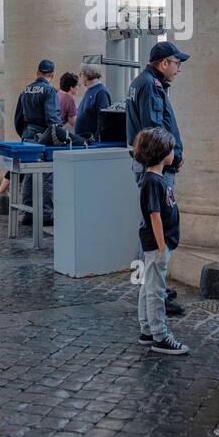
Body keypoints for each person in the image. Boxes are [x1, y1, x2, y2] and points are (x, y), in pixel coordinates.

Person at [126, 41, 190, 317]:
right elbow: (155, 131)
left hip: (148, 166)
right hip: (155, 168)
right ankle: (152, 291)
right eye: (177, 63)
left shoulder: (143, 83)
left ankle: (152, 286)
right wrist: (173, 157)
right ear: (164, 63)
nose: (179, 69)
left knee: (149, 229)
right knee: (154, 231)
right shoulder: (151, 86)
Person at [134, 127, 189, 356]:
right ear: (161, 152)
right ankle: (160, 335)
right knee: (156, 289)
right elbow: (155, 215)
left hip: (157, 243)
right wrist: (161, 246)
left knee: (148, 286)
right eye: (172, 149)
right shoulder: (152, 182)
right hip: (157, 244)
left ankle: (147, 329)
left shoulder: (156, 177)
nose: (174, 152)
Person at [13, 59, 62, 227]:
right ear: (52, 75)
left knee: (28, 175)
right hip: (43, 137)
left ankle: (26, 213)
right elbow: (53, 119)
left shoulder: (25, 90)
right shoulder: (49, 91)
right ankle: (46, 214)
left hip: (27, 136)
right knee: (47, 175)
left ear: (37, 73)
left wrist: (25, 134)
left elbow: (18, 118)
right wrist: (57, 138)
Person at [74, 63, 112, 141]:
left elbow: (103, 120)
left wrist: (95, 139)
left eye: (81, 74)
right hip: (82, 141)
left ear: (86, 75)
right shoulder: (89, 90)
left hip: (91, 143)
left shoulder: (101, 92)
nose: (80, 77)